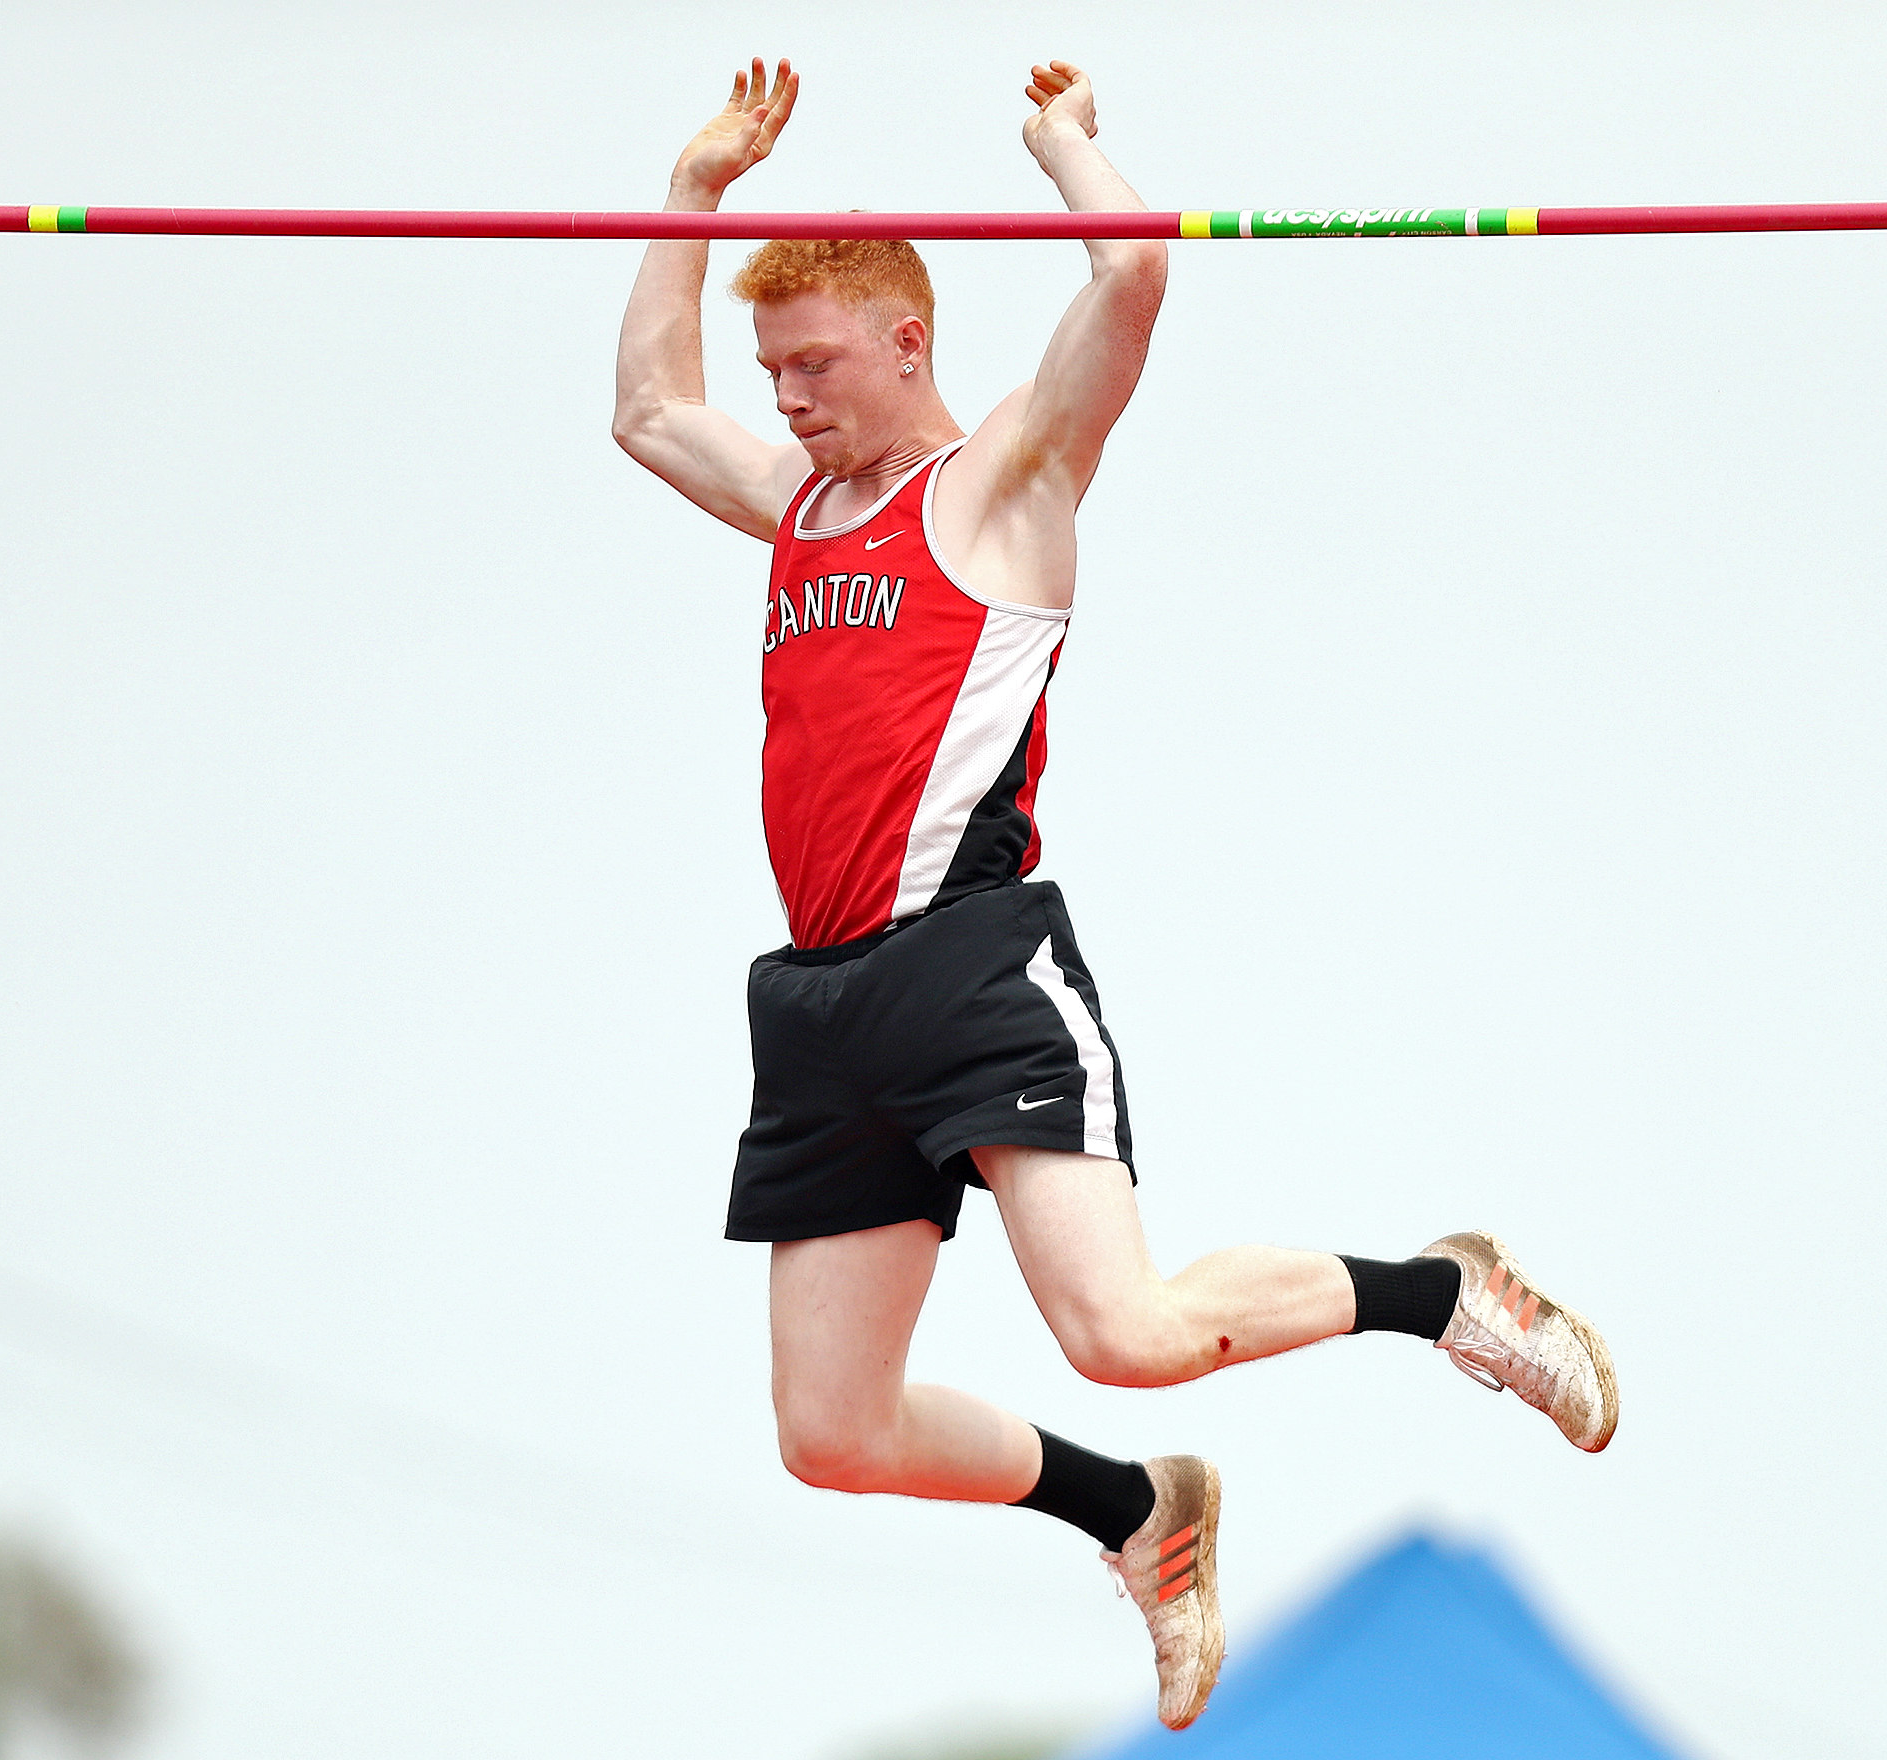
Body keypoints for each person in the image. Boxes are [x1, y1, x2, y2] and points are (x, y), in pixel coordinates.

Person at [609, 57, 1618, 1731]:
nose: (781, 396)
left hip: (970, 965)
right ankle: (1135, 1514)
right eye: (772, 369)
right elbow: (649, 409)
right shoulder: (798, 514)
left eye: (811, 364)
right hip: (822, 1001)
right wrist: (695, 191)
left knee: (1128, 1330)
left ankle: (1450, 1296)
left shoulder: (1001, 486)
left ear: (910, 344)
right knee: (832, 1431)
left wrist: (1063, 148)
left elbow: (1133, 274)